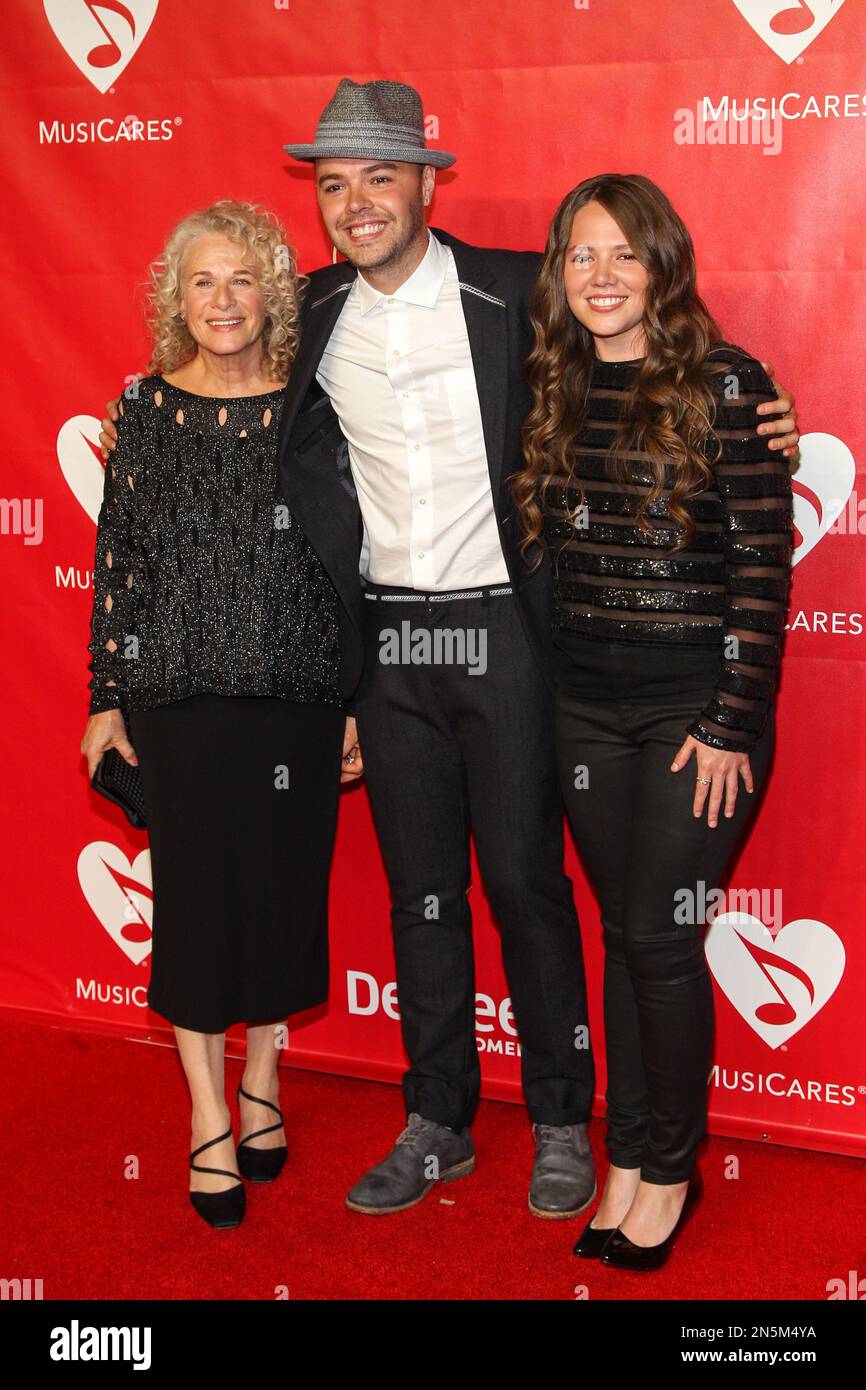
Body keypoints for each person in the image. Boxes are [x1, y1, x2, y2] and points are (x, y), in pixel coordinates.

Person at [100, 79, 801, 1221]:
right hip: (385, 642)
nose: (357, 203)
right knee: (418, 891)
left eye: (381, 176)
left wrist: (759, 399)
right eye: (334, 185)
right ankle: (437, 1120)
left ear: (429, 181)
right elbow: (207, 399)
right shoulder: (309, 315)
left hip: (511, 636)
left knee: (527, 883)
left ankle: (564, 1119)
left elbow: (653, 351)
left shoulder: (524, 289)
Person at [511, 173, 793, 1270]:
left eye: (623, 254)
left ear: (662, 265)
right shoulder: (547, 384)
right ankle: (624, 1153)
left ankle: (670, 1168)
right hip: (583, 707)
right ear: (556, 273)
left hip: (693, 714)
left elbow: (761, 568)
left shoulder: (726, 386)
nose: (599, 276)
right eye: (579, 255)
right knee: (621, 937)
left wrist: (729, 722)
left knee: (661, 940)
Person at [81, 199, 363, 1230]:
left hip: (294, 695)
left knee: (281, 903)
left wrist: (351, 699)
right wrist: (105, 697)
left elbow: (348, 563)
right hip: (178, 700)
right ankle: (208, 1117)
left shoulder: (312, 408)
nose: (221, 299)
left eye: (241, 277)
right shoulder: (146, 411)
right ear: (175, 298)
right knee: (199, 914)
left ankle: (262, 1082)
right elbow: (122, 563)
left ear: (273, 293)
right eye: (201, 281)